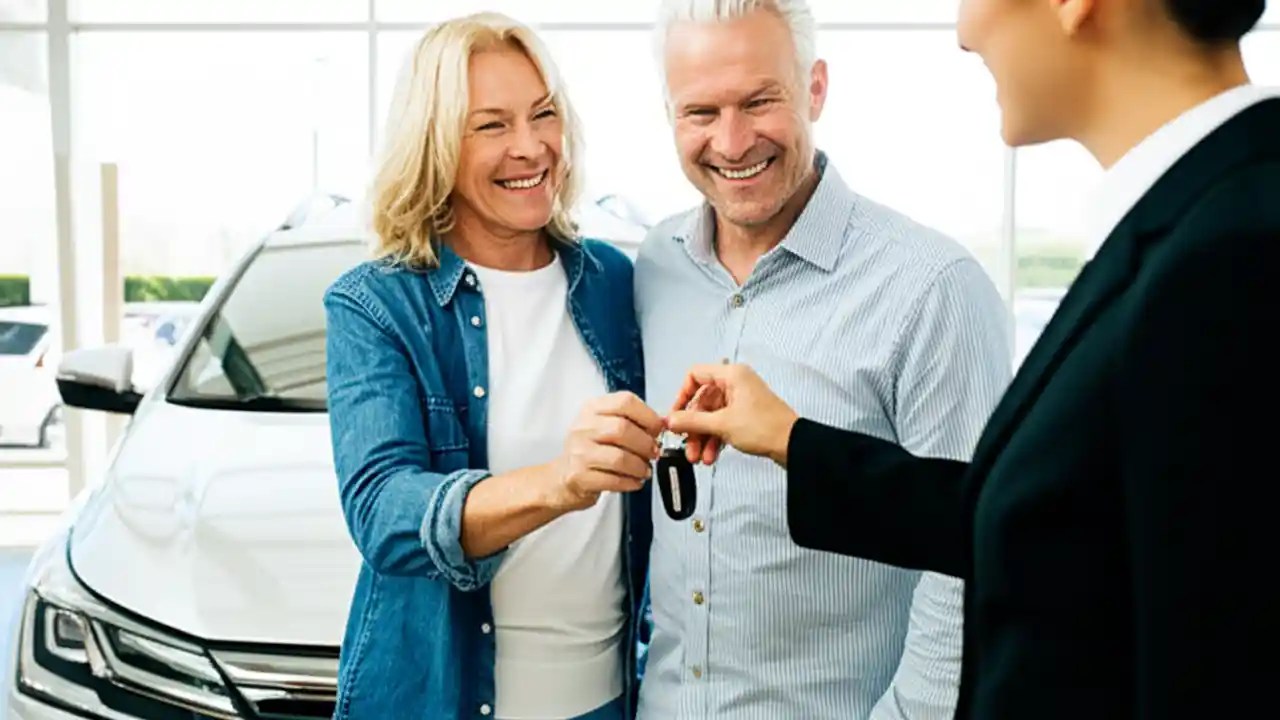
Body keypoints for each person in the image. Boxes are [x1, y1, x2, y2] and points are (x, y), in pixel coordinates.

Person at [664, 1, 1279, 718]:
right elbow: (1052, 528)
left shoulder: (1236, 250)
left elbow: (1220, 649)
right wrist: (796, 443)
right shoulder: (1196, 220)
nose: (963, 30)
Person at [634, 1, 1012, 718]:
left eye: (759, 101)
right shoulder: (656, 267)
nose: (732, 141)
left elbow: (973, 563)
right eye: (701, 112)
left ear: (815, 89)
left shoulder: (933, 288)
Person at [323, 12, 661, 720]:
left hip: (612, 701)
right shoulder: (377, 305)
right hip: (446, 702)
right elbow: (383, 511)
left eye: (544, 114)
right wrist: (560, 482)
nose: (531, 147)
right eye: (492, 125)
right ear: (436, 146)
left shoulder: (611, 282)